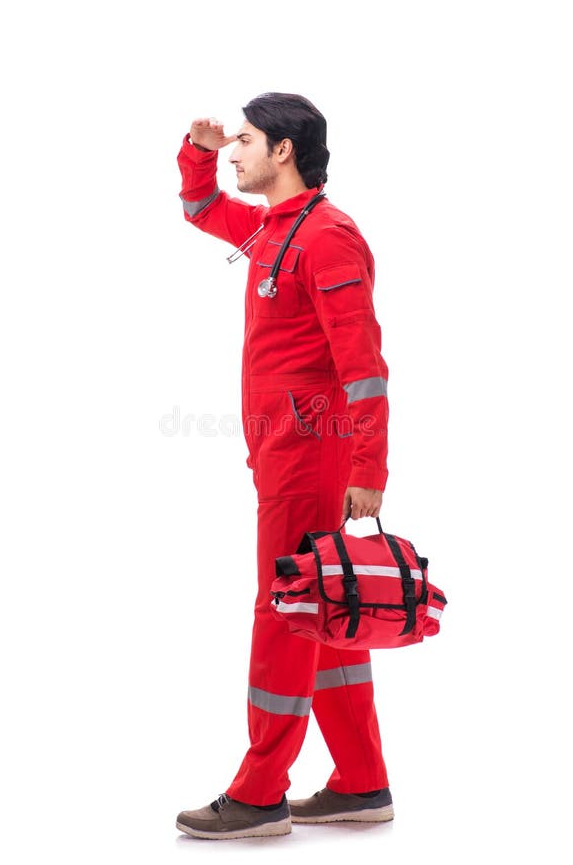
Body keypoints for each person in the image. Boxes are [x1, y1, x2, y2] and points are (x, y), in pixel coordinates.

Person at [175, 93, 393, 840]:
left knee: (284, 610)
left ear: (284, 152)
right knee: (321, 610)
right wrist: (198, 150)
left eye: (244, 140)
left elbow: (362, 368)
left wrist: (368, 463)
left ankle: (260, 790)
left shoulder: (326, 238)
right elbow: (199, 208)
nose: (235, 151)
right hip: (280, 453)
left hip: (312, 455)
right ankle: (361, 783)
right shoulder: (274, 229)